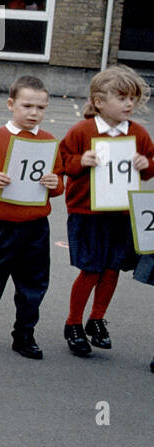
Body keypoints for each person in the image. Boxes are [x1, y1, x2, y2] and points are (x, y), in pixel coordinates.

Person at [0, 75, 64, 360]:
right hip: (1, 226)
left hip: (35, 227)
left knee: (33, 284)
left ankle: (24, 332)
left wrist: (53, 183)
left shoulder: (48, 141)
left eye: (41, 108)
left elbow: (59, 183)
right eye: (27, 106)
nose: (34, 113)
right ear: (11, 104)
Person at [58, 65, 154, 357]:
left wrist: (145, 165)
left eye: (133, 99)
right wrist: (80, 161)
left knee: (113, 269)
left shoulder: (137, 133)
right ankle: (73, 322)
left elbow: (150, 165)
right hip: (87, 213)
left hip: (122, 213)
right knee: (91, 269)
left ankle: (96, 318)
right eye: (122, 97)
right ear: (99, 101)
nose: (129, 104)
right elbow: (62, 162)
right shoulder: (83, 130)